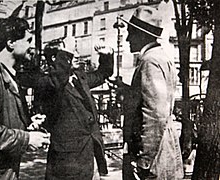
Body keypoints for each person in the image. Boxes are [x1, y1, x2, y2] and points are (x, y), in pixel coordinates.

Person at [0, 16, 50, 180]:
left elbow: (1, 119)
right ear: (11, 43)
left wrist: (27, 124)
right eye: (28, 40)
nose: (31, 46)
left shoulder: (7, 74)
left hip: (4, 170)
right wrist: (27, 138)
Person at [118, 5, 184, 180]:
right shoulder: (161, 56)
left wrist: (144, 160)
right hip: (163, 146)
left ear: (141, 34)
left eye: (130, 33)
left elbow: (155, 113)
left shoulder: (150, 61)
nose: (127, 39)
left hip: (155, 155)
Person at [36, 40, 114, 180]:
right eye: (71, 52)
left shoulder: (78, 77)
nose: (77, 55)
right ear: (56, 58)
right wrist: (66, 55)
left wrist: (106, 54)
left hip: (89, 155)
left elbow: (102, 74)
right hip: (67, 161)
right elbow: (58, 80)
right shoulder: (46, 82)